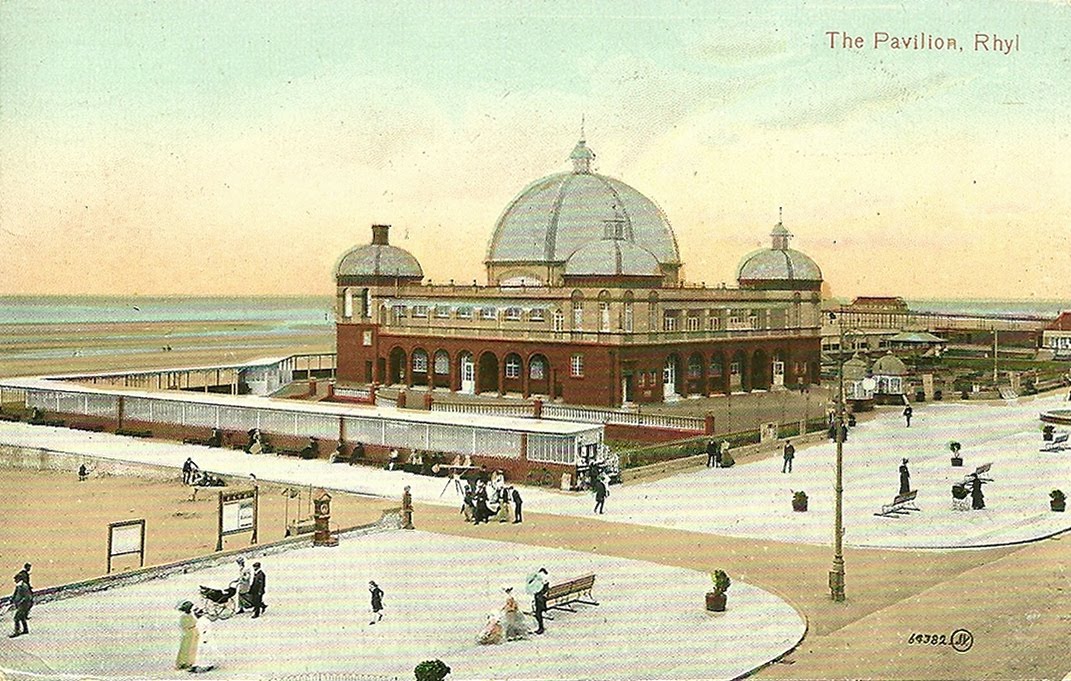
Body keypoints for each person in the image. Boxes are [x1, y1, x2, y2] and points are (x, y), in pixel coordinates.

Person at [175, 601, 198, 670]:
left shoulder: (190, 615)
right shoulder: (184, 617)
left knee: (192, 648)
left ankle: (189, 662)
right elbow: (187, 625)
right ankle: (182, 663)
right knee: (185, 648)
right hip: (188, 633)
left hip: (192, 632)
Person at [190, 608, 215, 673]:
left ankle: (207, 665)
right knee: (199, 651)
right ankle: (197, 664)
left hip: (205, 639)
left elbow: (207, 631)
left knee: (205, 652)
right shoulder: (201, 620)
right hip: (201, 638)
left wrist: (205, 639)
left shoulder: (204, 621)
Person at [9, 574, 31, 638]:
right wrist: (12, 599)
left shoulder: (24, 586)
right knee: (22, 617)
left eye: (15, 579)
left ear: (19, 579)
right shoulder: (18, 586)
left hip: (23, 605)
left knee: (16, 618)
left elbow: (27, 597)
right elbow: (15, 593)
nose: (14, 580)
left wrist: (21, 602)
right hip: (19, 604)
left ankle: (17, 631)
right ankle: (25, 629)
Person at [532, 568, 549, 635]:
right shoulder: (546, 582)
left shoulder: (540, 582)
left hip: (540, 599)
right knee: (538, 612)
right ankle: (540, 626)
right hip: (544, 599)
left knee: (538, 613)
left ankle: (541, 628)